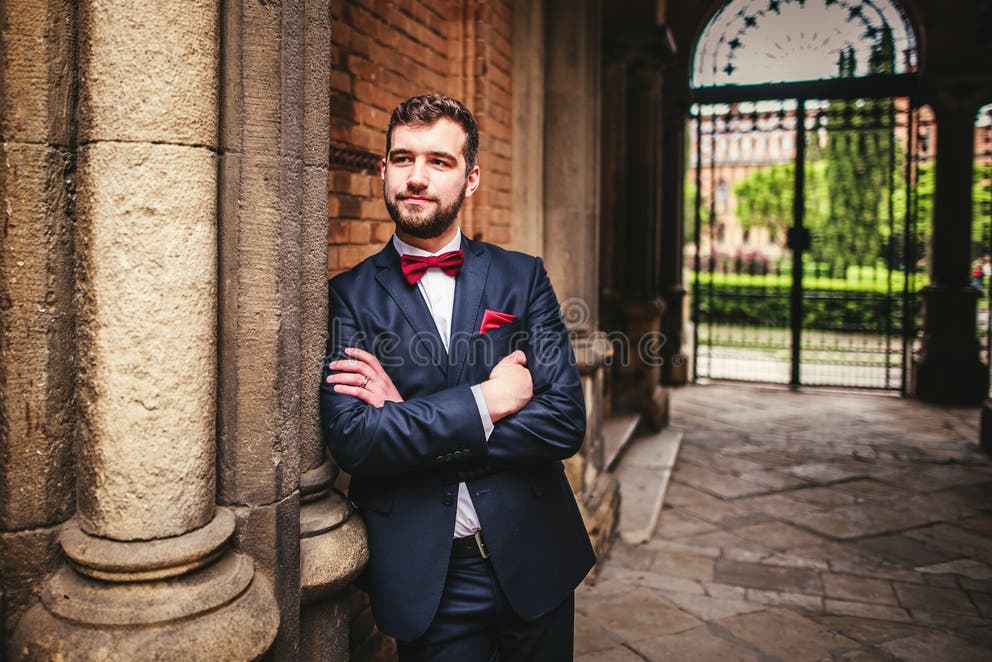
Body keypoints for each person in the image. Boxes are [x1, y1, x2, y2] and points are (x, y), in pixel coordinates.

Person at [320, 93, 595, 660]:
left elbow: (564, 422)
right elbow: (356, 441)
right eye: (403, 159)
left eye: (438, 162)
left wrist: (408, 420)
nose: (417, 177)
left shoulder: (523, 278)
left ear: (469, 179)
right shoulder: (347, 296)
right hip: (429, 578)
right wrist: (488, 402)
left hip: (535, 554)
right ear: (383, 170)